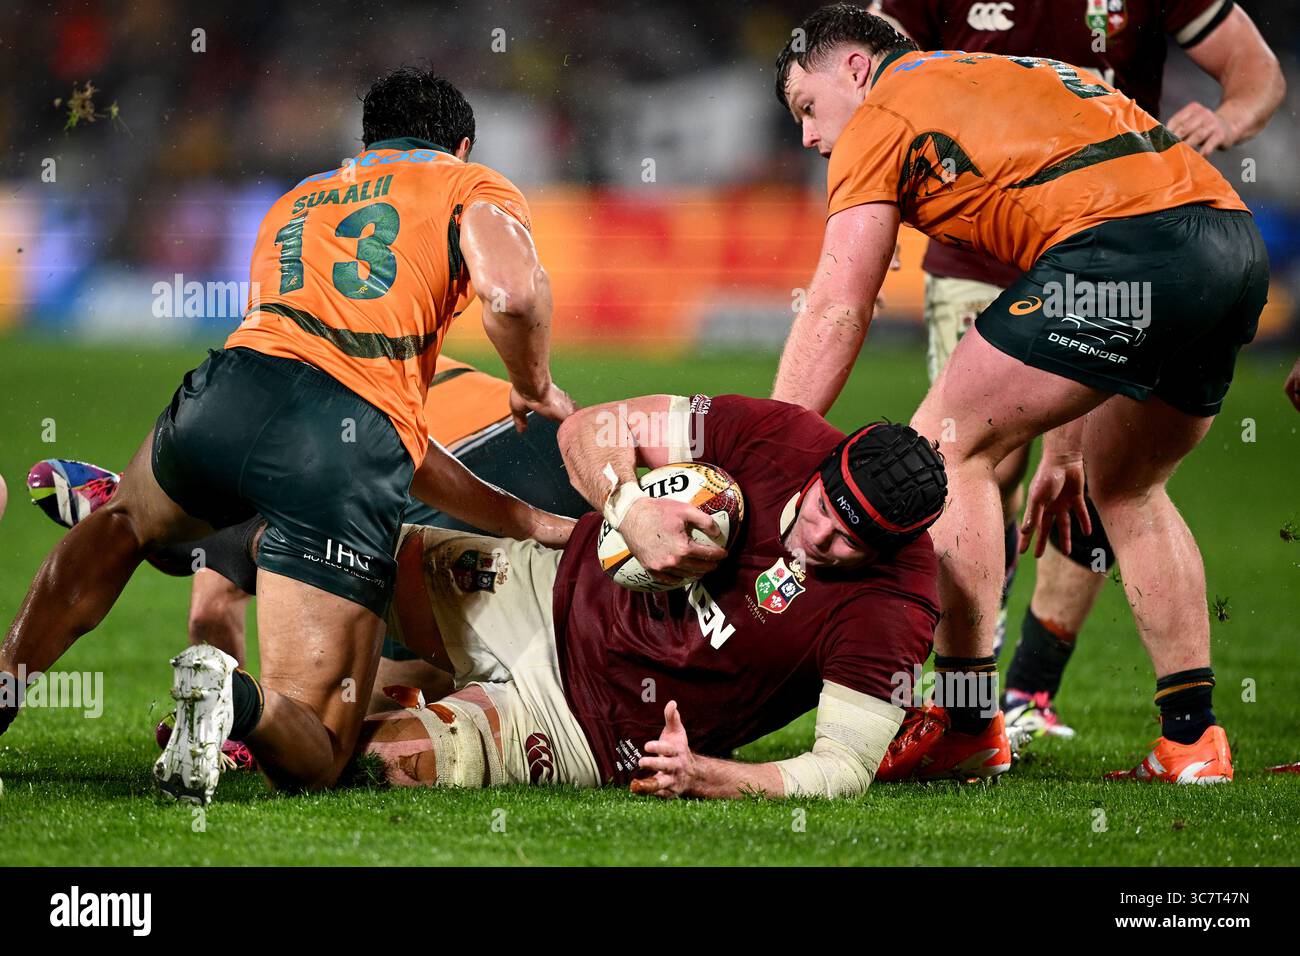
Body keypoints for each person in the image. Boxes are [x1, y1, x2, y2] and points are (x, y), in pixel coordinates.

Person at [0, 68, 575, 805]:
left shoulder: (299, 201)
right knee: (317, 754)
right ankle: (236, 700)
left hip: (228, 390)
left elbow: (314, 387)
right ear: (460, 145)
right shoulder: (472, 184)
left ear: (369, 143)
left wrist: (520, 516)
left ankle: (14, 673)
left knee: (121, 526)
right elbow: (514, 293)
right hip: (342, 449)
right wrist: (532, 381)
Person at [771, 4, 1268, 783]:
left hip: (1124, 253)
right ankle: (1192, 742)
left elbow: (839, 303)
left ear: (857, 69)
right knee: (1129, 490)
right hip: (1230, 249)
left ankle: (969, 724)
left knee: (945, 446)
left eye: (807, 107)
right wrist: (1065, 443)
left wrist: (777, 443)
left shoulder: (885, 111)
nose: (808, 136)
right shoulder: (1007, 73)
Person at [356, 392, 950, 796]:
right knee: (337, 554)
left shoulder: (895, 608)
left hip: (583, 724)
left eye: (847, 541)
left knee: (372, 759)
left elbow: (841, 768)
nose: (818, 537)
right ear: (822, 467)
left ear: (890, 549)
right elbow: (591, 427)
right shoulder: (781, 435)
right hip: (550, 584)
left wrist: (703, 774)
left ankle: (335, 708)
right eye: (821, 507)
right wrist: (630, 506)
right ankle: (394, 680)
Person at [23, 354, 591, 750]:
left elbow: (209, 611)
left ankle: (144, 519)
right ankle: (149, 520)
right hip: (550, 507)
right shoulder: (399, 360)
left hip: (435, 486)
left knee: (350, 701)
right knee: (399, 690)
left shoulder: (313, 383)